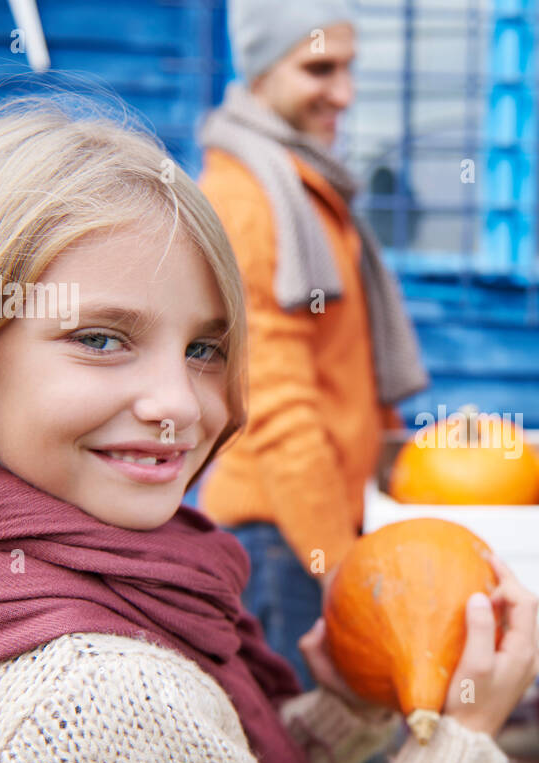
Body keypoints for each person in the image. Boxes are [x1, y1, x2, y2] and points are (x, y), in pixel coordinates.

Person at [0, 99, 539, 763]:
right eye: (100, 339)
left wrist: (346, 709)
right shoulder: (100, 701)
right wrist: (457, 746)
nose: (175, 404)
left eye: (204, 348)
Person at [194, 0, 426, 689]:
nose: (345, 93)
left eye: (350, 68)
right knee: (299, 760)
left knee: (326, 750)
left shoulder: (307, 182)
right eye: (319, 68)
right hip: (285, 539)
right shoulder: (252, 197)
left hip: (320, 525)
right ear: (263, 69)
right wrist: (343, 567)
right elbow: (279, 406)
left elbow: (342, 367)